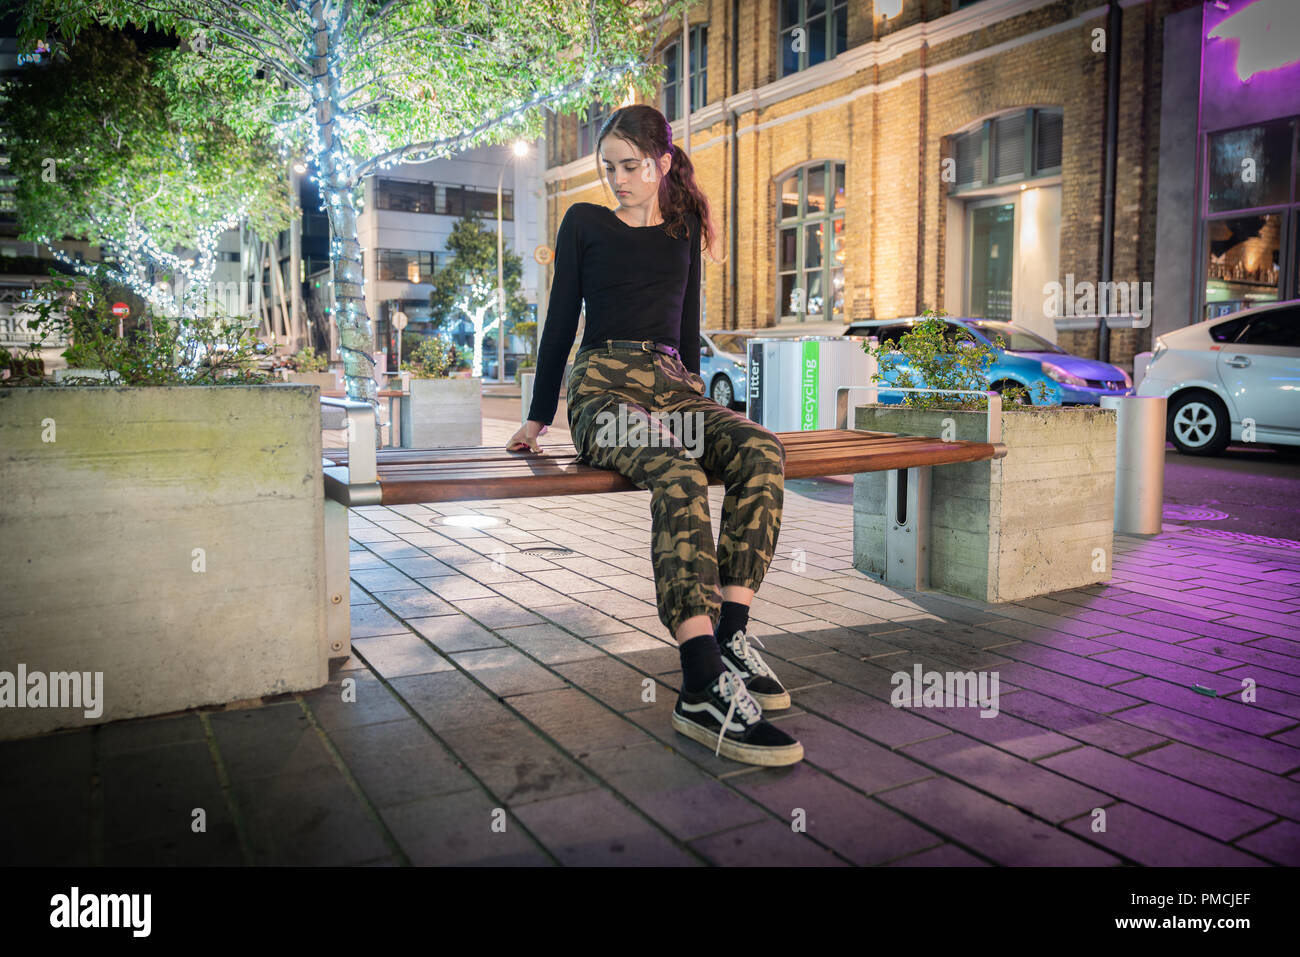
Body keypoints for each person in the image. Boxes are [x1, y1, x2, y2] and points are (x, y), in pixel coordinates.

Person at [506, 104, 802, 768]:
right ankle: (700, 682)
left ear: (662, 162)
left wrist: (701, 412)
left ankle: (732, 635)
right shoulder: (584, 223)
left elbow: (688, 326)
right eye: (608, 167)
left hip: (673, 386)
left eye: (631, 166)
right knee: (675, 469)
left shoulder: (684, 227)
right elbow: (560, 321)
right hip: (603, 389)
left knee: (760, 449)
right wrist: (538, 415)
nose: (618, 179)